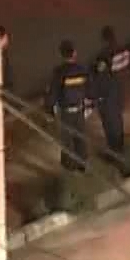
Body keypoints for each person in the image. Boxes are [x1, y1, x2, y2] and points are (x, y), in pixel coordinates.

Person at [47, 41, 92, 172]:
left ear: (62, 55)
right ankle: (82, 165)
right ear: (74, 53)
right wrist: (90, 102)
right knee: (80, 137)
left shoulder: (59, 72)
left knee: (66, 139)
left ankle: (68, 166)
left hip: (65, 112)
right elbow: (89, 89)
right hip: (79, 109)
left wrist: (49, 110)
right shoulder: (82, 70)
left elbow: (53, 92)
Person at [93, 26, 130, 167]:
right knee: (118, 124)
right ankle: (118, 151)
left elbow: (99, 77)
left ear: (104, 39)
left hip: (108, 96)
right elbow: (129, 70)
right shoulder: (125, 51)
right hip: (120, 93)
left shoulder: (104, 56)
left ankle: (116, 155)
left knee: (110, 126)